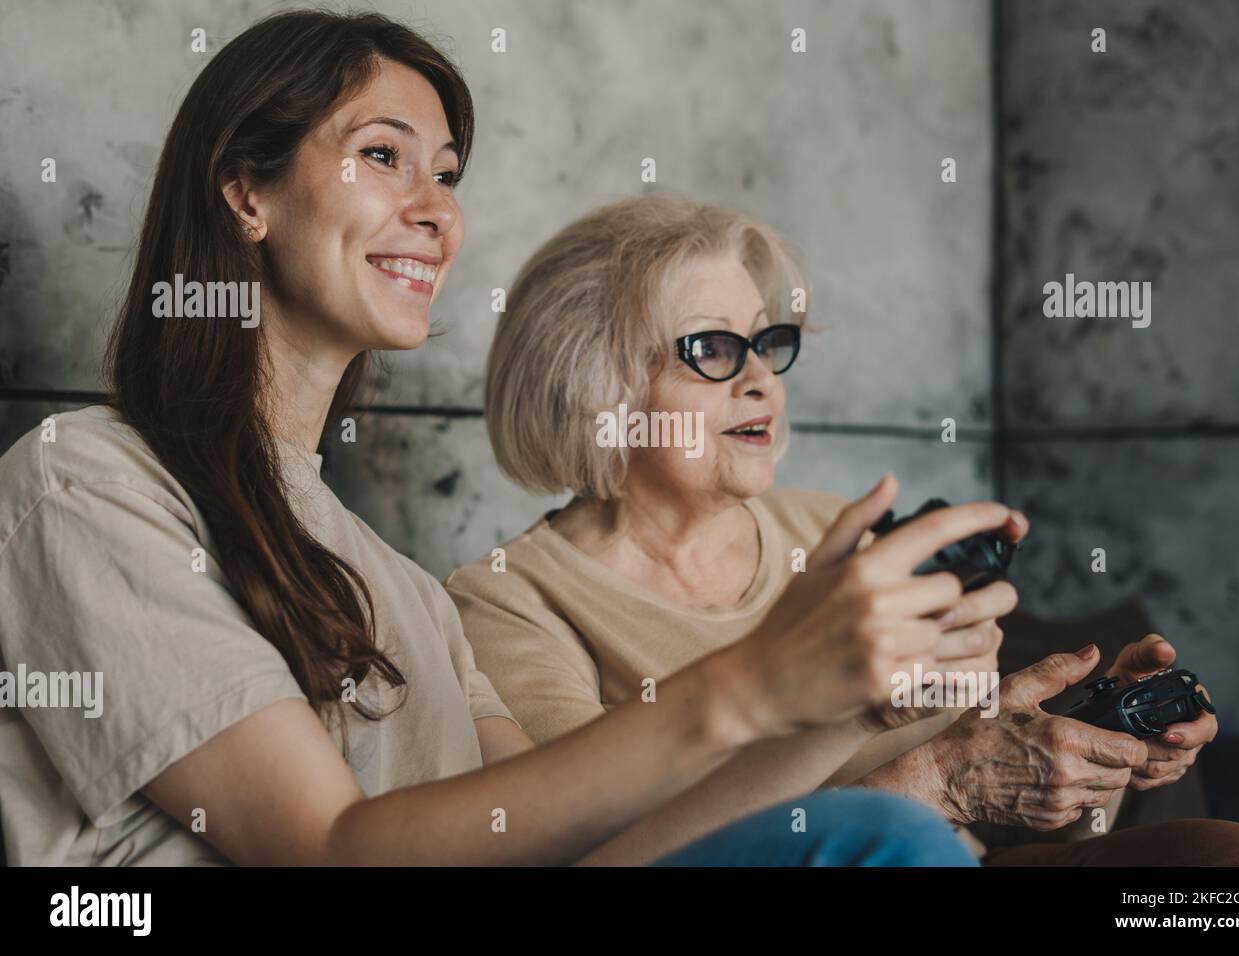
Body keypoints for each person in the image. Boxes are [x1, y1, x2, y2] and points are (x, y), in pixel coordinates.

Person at [0, 9, 995, 868]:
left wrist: (840, 708)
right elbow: (327, 847)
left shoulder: (411, 597)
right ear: (246, 190)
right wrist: (754, 680)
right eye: (383, 156)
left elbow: (588, 858)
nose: (437, 212)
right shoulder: (85, 483)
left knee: (878, 835)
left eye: (446, 174)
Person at [447, 194, 1239, 866]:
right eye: (711, 348)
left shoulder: (830, 529)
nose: (760, 382)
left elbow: (1011, 811)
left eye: (768, 343)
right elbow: (604, 854)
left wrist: (1086, 755)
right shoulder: (510, 598)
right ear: (592, 380)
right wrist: (937, 784)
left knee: (1236, 879)